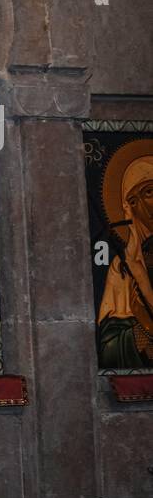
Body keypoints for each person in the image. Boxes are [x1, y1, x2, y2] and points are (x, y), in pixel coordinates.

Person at [97, 153, 153, 368]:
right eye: (132, 201)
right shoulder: (122, 266)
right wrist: (141, 332)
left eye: (148, 192)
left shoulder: (134, 267)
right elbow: (109, 348)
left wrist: (141, 277)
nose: (143, 207)